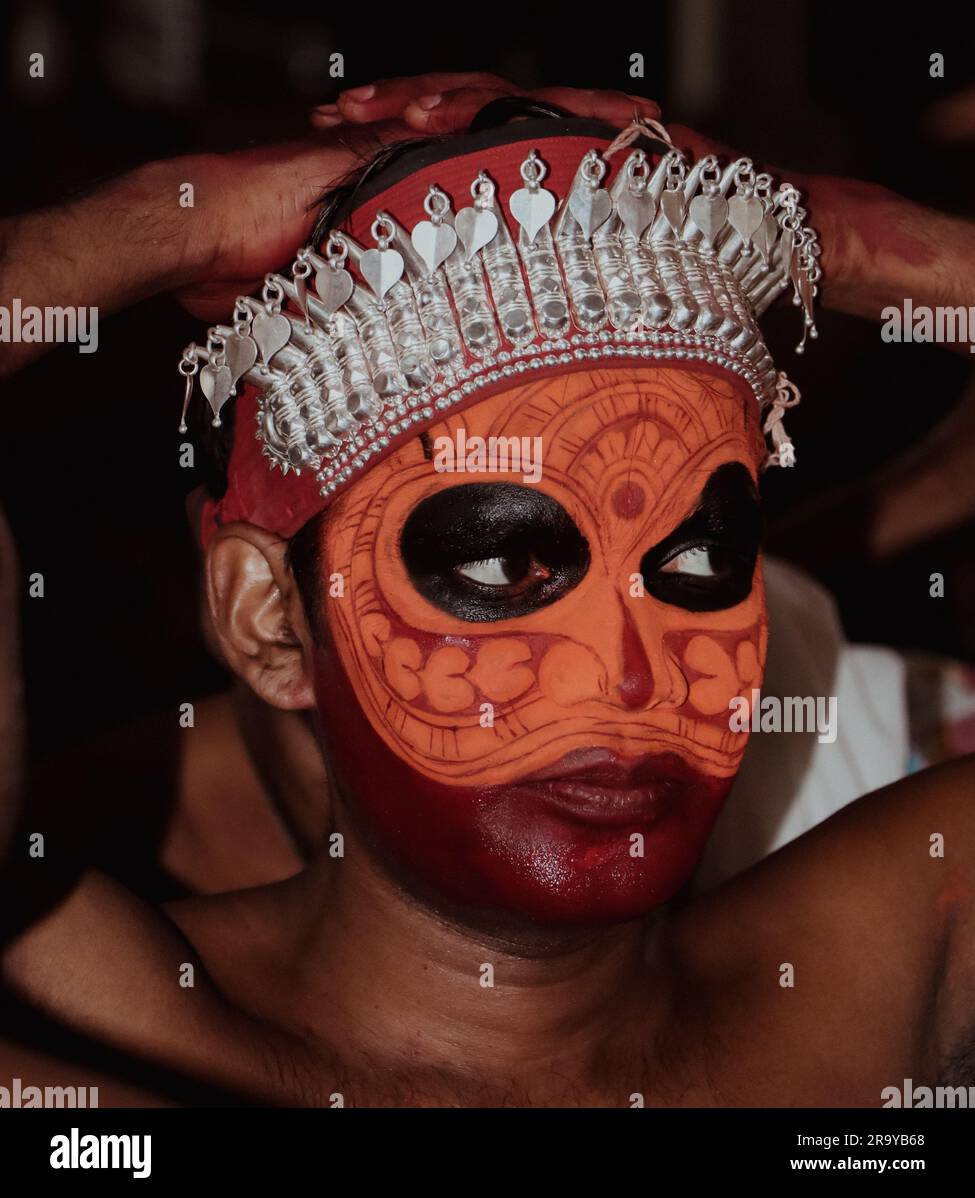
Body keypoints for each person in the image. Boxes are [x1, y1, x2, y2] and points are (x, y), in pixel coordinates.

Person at [2, 77, 975, 1108]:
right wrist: (167, 221)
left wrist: (807, 228)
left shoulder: (890, 962)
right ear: (268, 620)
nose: (634, 675)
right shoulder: (87, 1020)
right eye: (506, 565)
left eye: (696, 566)